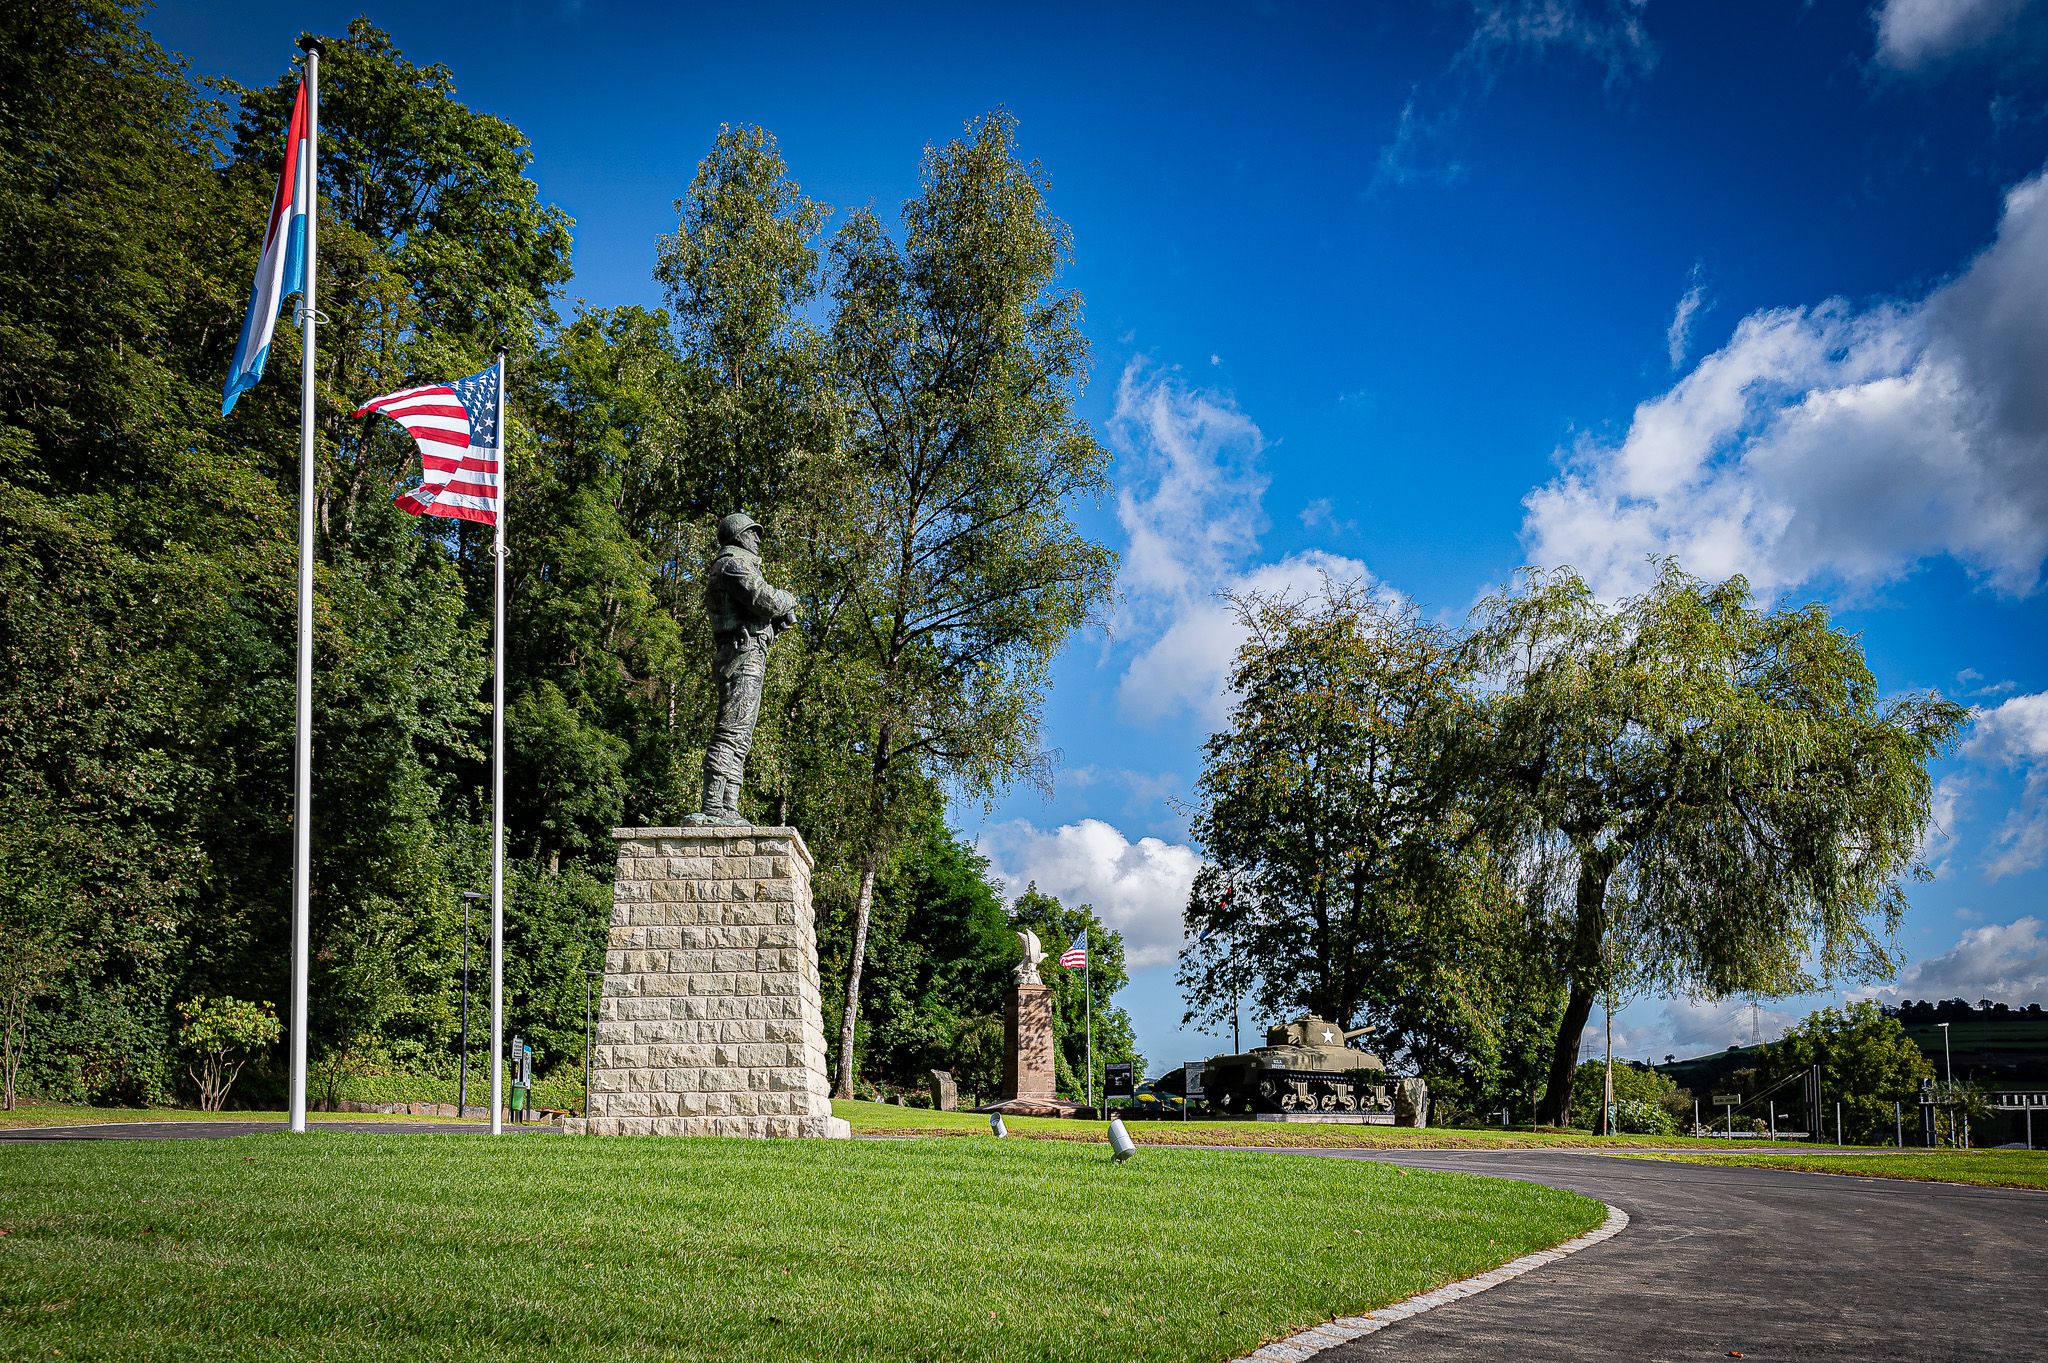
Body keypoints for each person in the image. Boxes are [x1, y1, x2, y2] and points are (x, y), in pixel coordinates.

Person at [686, 512, 797, 825]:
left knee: (741, 737)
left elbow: (759, 614)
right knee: (731, 732)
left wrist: (773, 627)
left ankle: (728, 807)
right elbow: (766, 600)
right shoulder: (734, 565)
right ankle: (713, 807)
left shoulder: (735, 565)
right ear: (737, 535)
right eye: (752, 532)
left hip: (749, 652)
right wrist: (787, 599)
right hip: (741, 655)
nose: (757, 538)